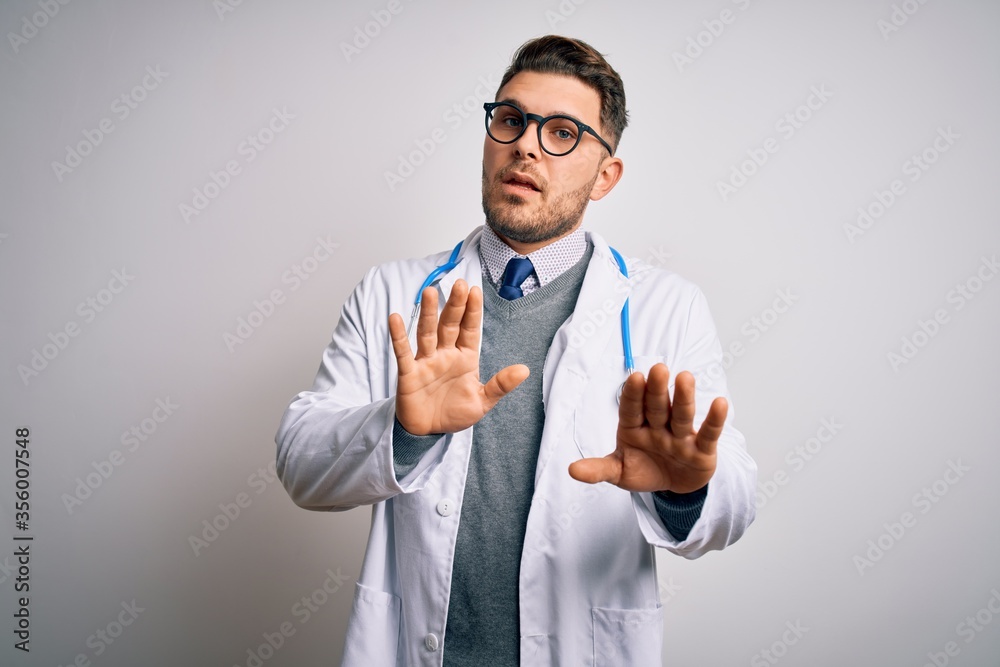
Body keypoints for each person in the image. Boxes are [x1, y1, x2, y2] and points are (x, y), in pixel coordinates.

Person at [275, 34, 757, 666]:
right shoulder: (392, 292)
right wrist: (401, 432)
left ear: (605, 176)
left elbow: (736, 499)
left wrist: (684, 491)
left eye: (563, 132)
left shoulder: (666, 307)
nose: (526, 144)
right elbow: (301, 463)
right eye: (511, 120)